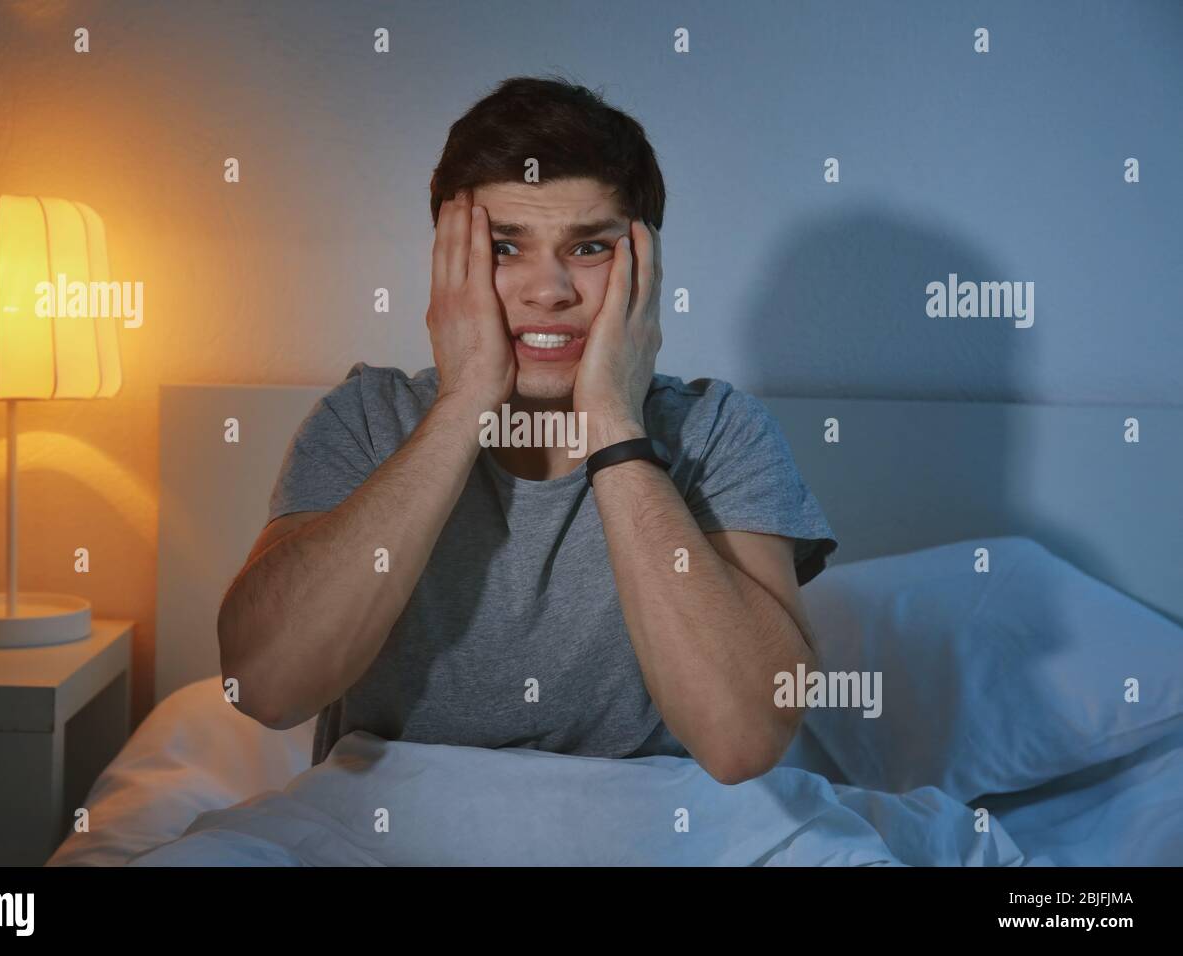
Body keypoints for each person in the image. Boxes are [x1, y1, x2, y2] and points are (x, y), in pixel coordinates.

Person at [217, 75, 838, 785]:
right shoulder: (366, 416)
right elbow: (264, 688)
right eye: (506, 248)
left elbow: (743, 740)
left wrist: (612, 420)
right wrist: (465, 401)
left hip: (646, 832)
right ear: (449, 262)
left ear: (645, 265)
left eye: (589, 248)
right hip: (392, 828)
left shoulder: (721, 430)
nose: (549, 291)